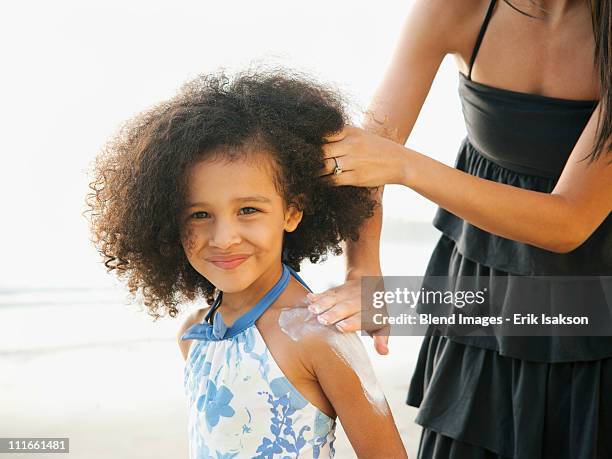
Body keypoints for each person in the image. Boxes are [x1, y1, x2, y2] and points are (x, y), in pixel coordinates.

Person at [305, 0, 612, 457]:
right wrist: (362, 270)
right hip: (481, 302)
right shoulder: (455, 9)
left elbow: (568, 222)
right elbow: (366, 155)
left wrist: (405, 166)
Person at [85, 69, 409, 458]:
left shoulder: (320, 337)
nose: (224, 238)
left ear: (291, 211)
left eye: (249, 209)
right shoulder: (194, 336)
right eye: (200, 215)